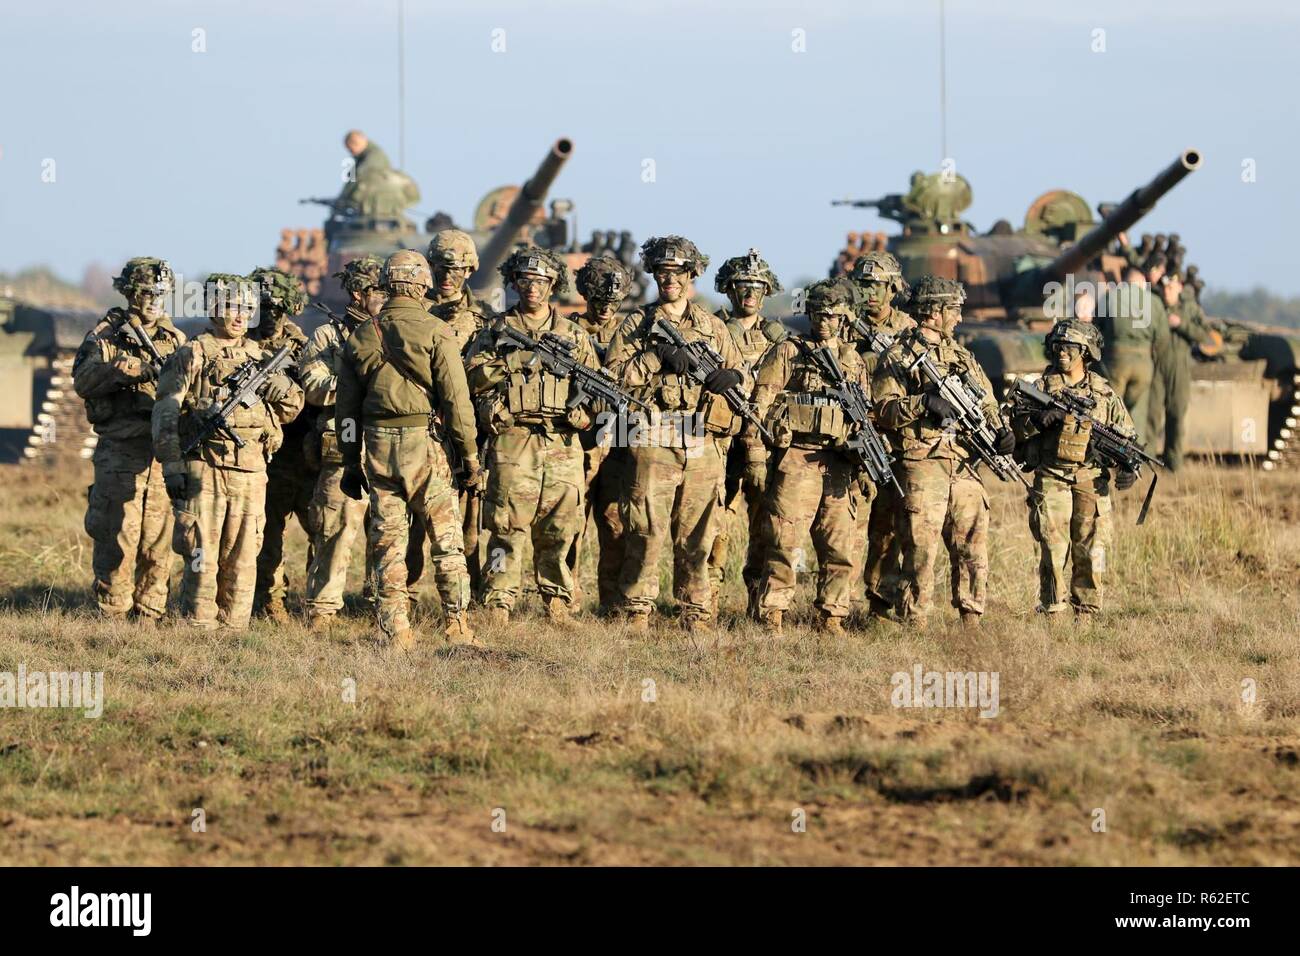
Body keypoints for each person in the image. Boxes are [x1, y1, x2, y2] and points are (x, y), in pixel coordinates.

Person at [604, 236, 752, 631]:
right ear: (654, 274)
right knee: (646, 529)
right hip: (653, 434)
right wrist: (655, 356)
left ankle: (696, 612)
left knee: (699, 533)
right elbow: (614, 379)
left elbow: (745, 377)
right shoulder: (636, 324)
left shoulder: (713, 325)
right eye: (662, 273)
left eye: (679, 273)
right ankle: (637, 610)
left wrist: (732, 376)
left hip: (701, 440)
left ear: (691, 276)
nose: (670, 280)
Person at [335, 250, 481, 647]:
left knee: (388, 541)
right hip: (425, 446)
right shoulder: (437, 331)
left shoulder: (362, 334)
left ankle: (396, 630)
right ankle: (457, 626)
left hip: (377, 445)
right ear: (421, 284)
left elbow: (345, 410)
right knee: (446, 540)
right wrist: (469, 457)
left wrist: (351, 462)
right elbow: (456, 400)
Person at [152, 274, 303, 629]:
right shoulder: (194, 352)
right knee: (201, 553)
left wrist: (275, 385)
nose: (240, 316)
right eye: (233, 307)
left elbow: (292, 409)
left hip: (251, 473)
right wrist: (172, 463)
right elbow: (166, 409)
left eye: (247, 309)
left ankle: (235, 631)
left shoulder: (260, 356)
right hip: (205, 469)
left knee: (244, 555)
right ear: (215, 307)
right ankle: (199, 628)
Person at [464, 248, 598, 625]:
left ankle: (556, 601)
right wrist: (513, 361)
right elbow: (471, 377)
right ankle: (498, 601)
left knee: (560, 526)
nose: (532, 288)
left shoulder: (573, 334)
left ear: (553, 284)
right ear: (514, 282)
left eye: (540, 281)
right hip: (513, 440)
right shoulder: (495, 330)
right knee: (506, 525)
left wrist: (584, 415)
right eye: (524, 280)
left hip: (562, 442)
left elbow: (596, 389)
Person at [873, 276, 1014, 626]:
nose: (959, 318)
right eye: (954, 310)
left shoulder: (961, 354)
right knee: (921, 548)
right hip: (921, 459)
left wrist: (1001, 431)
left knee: (972, 543)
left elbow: (986, 401)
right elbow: (883, 410)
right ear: (933, 312)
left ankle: (971, 618)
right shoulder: (897, 355)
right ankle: (916, 620)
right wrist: (923, 403)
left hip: (962, 460)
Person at [746, 279, 874, 634]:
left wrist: (864, 465)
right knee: (784, 541)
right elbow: (760, 405)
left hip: (838, 464)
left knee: (839, 546)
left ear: (846, 318)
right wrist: (756, 457)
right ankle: (772, 614)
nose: (824, 321)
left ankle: (832, 616)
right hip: (797, 458)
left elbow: (866, 418)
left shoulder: (854, 362)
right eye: (818, 313)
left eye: (832, 316)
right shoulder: (789, 351)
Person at [73, 257, 185, 620]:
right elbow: (83, 382)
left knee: (159, 541)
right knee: (115, 533)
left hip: (160, 453)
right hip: (120, 451)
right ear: (129, 293)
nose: (152, 300)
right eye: (144, 292)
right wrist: (124, 370)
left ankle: (151, 611)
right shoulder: (105, 336)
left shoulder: (176, 340)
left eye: (159, 293)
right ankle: (112, 612)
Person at [1011, 320, 1138, 614]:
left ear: (1086, 352)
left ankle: (1088, 613)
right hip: (1051, 475)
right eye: (1057, 347)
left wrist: (1127, 467)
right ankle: (1053, 611)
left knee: (1092, 550)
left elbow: (1126, 437)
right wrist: (1036, 422)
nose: (1062, 354)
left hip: (1091, 478)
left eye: (1069, 348)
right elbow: (1012, 429)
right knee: (1053, 550)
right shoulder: (1040, 388)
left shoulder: (1103, 393)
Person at [299, 255, 386, 630]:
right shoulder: (327, 336)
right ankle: (322, 607)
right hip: (343, 446)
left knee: (386, 530)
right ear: (358, 293)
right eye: (379, 293)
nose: (386, 299)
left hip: (387, 445)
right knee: (335, 527)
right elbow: (313, 386)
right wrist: (353, 388)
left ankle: (379, 602)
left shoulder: (392, 333)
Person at [709, 249, 786, 617]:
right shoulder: (710, 329)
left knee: (763, 526)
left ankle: (759, 605)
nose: (749, 293)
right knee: (714, 523)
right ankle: (704, 605)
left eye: (757, 286)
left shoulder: (778, 337)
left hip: (760, 443)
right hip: (719, 439)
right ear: (729, 289)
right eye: (742, 285)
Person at [846, 251, 915, 618]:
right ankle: (837, 605)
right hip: (854, 435)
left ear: (892, 288)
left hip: (897, 437)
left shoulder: (909, 328)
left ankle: (881, 600)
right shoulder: (844, 325)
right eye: (864, 286)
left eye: (877, 286)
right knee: (851, 525)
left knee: (893, 524)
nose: (870, 293)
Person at [567, 254, 637, 614]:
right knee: (571, 523)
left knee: (613, 524)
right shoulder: (567, 331)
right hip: (578, 443)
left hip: (620, 443)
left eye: (613, 303)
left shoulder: (631, 333)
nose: (606, 309)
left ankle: (611, 601)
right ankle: (567, 601)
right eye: (599, 302)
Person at [248, 267, 312, 621]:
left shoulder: (303, 348)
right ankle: (269, 601)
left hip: (301, 455)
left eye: (277, 307)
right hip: (262, 459)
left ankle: (317, 605)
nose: (270, 314)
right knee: (266, 536)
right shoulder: (241, 344)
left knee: (322, 530)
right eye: (263, 306)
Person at [1097, 265, 1157, 448]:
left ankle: (1108, 453)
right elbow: (1162, 338)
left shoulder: (1110, 297)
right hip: (1144, 364)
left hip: (1116, 361)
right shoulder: (1154, 301)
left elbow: (1097, 329)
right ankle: (1136, 457)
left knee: (1111, 410)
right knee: (1137, 412)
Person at [1158, 273, 1209, 472]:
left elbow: (1206, 336)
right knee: (1151, 417)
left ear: (1179, 287)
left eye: (1171, 287)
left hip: (1179, 364)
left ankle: (1173, 466)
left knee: (1176, 416)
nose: (1166, 291)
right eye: (1164, 288)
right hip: (1155, 363)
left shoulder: (1189, 309)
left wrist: (1181, 325)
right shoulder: (1154, 305)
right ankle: (1144, 465)